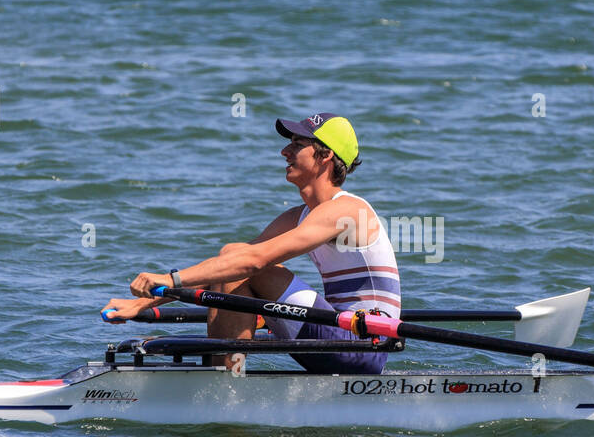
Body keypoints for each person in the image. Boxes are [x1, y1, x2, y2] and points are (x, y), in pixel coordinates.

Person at [101, 113, 400, 374]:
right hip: (333, 337)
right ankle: (223, 370)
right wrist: (142, 303)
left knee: (241, 257)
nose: (284, 151)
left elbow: (252, 263)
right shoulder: (301, 216)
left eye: (297, 145)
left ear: (325, 157)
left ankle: (222, 378)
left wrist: (168, 279)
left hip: (364, 346)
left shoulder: (347, 210)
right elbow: (229, 268)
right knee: (235, 257)